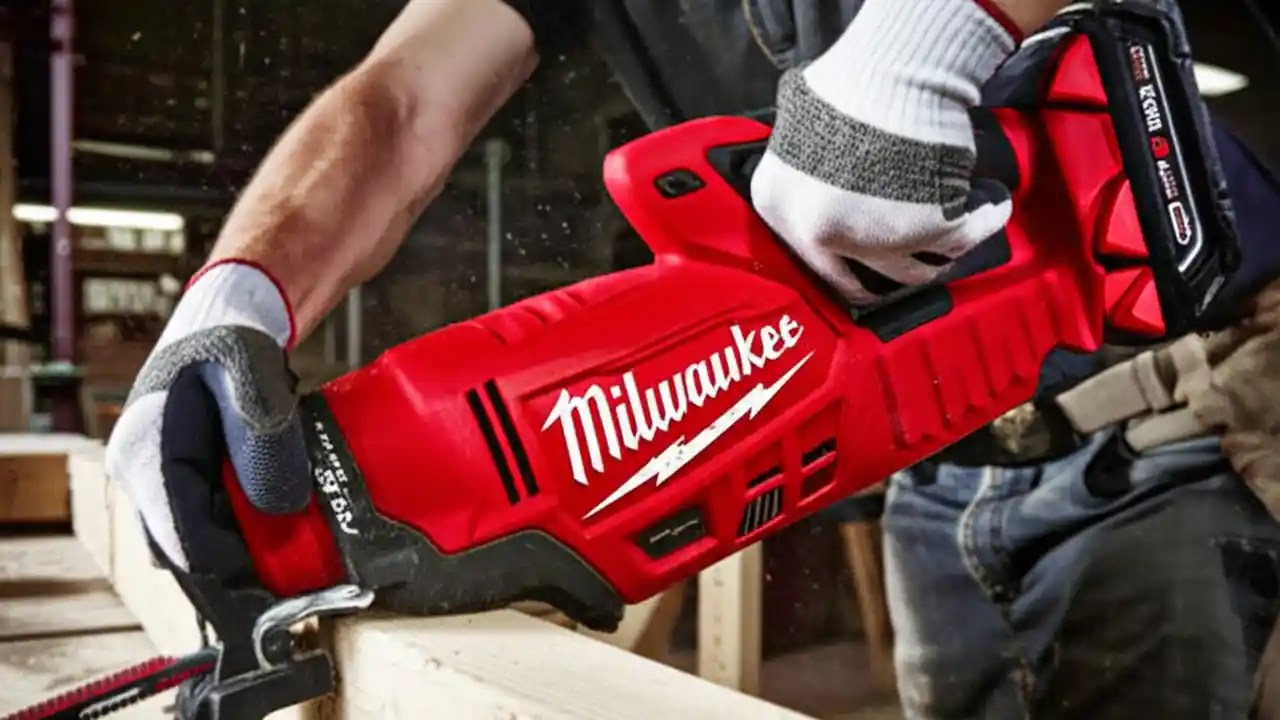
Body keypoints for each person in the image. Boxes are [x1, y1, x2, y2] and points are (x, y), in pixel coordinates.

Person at [104, 0, 1280, 717]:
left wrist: (940, 27)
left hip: (1192, 398)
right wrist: (235, 298)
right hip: (939, 454)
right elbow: (403, 96)